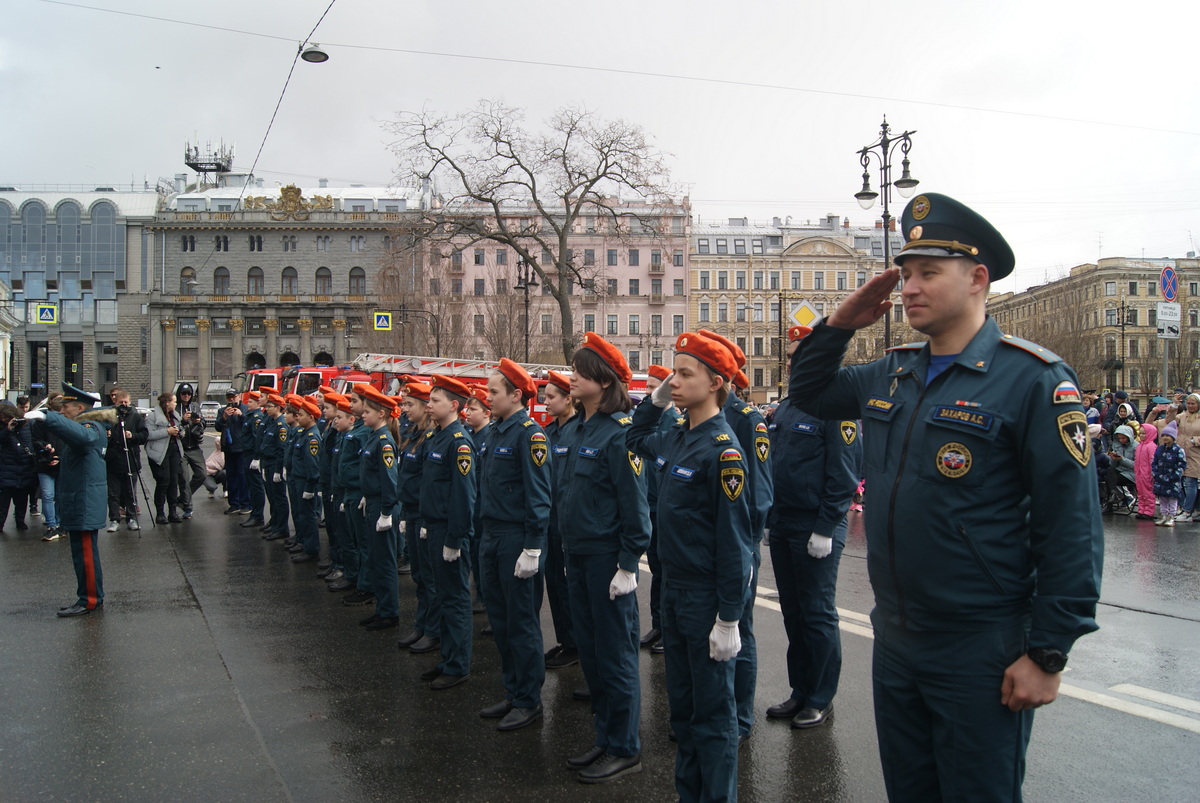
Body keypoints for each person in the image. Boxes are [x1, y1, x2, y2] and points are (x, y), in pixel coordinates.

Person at [789, 192, 1103, 801]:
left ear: (977, 278)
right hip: (898, 636)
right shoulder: (894, 370)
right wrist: (838, 324)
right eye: (905, 274)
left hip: (981, 645)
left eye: (928, 273)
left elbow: (1072, 527)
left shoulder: (1034, 379)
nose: (909, 287)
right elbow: (811, 392)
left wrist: (1048, 652)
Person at [627, 331, 752, 802]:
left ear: (716, 382)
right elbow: (636, 437)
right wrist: (655, 399)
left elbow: (735, 544)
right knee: (683, 712)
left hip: (704, 598)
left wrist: (728, 618)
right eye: (673, 374)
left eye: (684, 374)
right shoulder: (676, 438)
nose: (675, 382)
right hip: (673, 591)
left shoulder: (724, 452)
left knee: (713, 715)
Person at [556, 337, 650, 782]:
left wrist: (629, 565)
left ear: (603, 380)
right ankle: (604, 738)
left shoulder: (621, 433)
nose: (570, 376)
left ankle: (625, 745)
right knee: (592, 655)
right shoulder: (575, 429)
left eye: (579, 369)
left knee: (615, 656)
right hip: (577, 555)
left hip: (607, 561)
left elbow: (636, 507)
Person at [765, 324, 862, 731]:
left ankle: (820, 697)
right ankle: (800, 689)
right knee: (792, 611)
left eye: (798, 356)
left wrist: (826, 526)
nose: (790, 362)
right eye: (789, 357)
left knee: (817, 613)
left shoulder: (836, 406)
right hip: (785, 521)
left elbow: (843, 476)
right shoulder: (787, 406)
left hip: (815, 525)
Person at [699, 329, 775, 745]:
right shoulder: (699, 418)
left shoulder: (748, 422)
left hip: (736, 543)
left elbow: (759, 495)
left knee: (738, 628)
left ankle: (739, 717)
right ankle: (712, 712)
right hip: (702, 547)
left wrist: (742, 544)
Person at [477, 358, 553, 733]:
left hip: (515, 539)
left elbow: (539, 496)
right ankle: (513, 689)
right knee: (501, 620)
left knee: (521, 623)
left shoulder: (530, 434)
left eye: (493, 392)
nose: (487, 397)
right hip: (491, 535)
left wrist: (533, 547)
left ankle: (529, 700)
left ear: (516, 394)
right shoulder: (494, 433)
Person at [24, 382, 115, 616]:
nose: (62, 411)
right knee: (82, 553)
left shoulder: (90, 424)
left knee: (85, 554)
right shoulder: (88, 424)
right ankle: (90, 596)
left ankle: (90, 600)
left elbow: (83, 437)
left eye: (66, 408)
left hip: (83, 500)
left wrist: (48, 418)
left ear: (80, 407)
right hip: (80, 499)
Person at [418, 374, 477, 689]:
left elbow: (463, 498)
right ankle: (446, 659)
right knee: (443, 595)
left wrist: (455, 539)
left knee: (455, 599)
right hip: (436, 527)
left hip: (450, 532)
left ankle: (458, 665)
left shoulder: (459, 442)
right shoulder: (436, 437)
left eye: (435, 400)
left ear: (454, 405)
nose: (429, 405)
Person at [353, 384, 401, 630]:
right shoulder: (374, 436)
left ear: (381, 414)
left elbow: (390, 481)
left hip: (382, 507)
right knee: (375, 558)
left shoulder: (384, 442)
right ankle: (382, 608)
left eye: (368, 411)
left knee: (384, 561)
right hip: (372, 502)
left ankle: (390, 612)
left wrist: (385, 511)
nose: (363, 415)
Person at [542, 370, 580, 668]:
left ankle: (577, 645)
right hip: (550, 520)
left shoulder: (580, 430)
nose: (545, 402)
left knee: (571, 586)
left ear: (569, 399)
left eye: (551, 397)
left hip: (570, 521)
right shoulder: (549, 432)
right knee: (554, 583)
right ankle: (566, 640)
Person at [396, 381, 438, 647]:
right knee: (419, 576)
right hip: (411, 512)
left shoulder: (432, 438)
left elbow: (429, 482)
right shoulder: (412, 433)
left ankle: (433, 630)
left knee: (430, 578)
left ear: (425, 407)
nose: (404, 408)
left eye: (410, 404)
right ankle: (421, 625)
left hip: (425, 515)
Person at [638, 364, 676, 654]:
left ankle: (668, 629)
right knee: (655, 570)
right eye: (648, 387)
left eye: (653, 388)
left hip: (665, 510)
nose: (648, 393)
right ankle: (657, 624)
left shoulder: (673, 424)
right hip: (649, 505)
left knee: (667, 572)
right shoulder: (648, 420)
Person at [104, 388, 148, 531]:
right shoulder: (109, 417)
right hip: (113, 460)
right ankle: (114, 519)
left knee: (130, 492)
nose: (123, 405)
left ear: (130, 402)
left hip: (131, 459)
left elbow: (144, 435)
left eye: (126, 402)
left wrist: (132, 436)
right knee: (113, 493)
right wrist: (108, 435)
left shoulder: (135, 417)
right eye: (120, 402)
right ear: (115, 402)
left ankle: (131, 518)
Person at [145, 392, 184, 524]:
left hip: (174, 450)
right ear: (167, 402)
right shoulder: (152, 417)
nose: (176, 403)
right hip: (159, 452)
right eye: (174, 401)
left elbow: (180, 429)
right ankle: (160, 513)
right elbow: (149, 435)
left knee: (174, 482)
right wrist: (167, 431)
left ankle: (173, 512)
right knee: (163, 482)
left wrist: (180, 431)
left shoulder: (175, 415)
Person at [31, 393, 64, 540]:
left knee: (58, 495)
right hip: (44, 462)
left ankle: (57, 524)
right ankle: (52, 525)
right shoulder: (40, 421)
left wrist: (59, 457)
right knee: (48, 495)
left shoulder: (66, 421)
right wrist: (45, 447)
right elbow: (36, 440)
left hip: (60, 462)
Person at [0, 401, 37, 531]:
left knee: (21, 499)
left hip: (25, 467)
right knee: (4, 501)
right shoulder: (3, 427)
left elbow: (31, 442)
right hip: (7, 468)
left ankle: (20, 521)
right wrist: (7, 429)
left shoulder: (26, 425)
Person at [1163, 393, 1200, 522]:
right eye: (1188, 403)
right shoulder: (1182, 416)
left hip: (1195, 454)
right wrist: (1173, 405)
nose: (1190, 406)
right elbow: (1169, 421)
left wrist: (1195, 441)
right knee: (1180, 483)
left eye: (1193, 403)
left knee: (1191, 482)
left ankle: (1187, 511)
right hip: (1180, 453)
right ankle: (1187, 508)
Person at [216, 389, 252, 515]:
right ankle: (234, 504)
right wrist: (224, 417)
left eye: (234, 397)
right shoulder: (222, 411)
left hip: (242, 448)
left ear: (239, 397)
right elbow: (217, 426)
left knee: (242, 476)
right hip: (229, 447)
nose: (232, 400)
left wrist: (241, 415)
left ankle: (246, 504)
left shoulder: (245, 409)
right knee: (231, 477)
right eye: (229, 398)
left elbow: (249, 425)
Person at [175, 383, 206, 518]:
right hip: (180, 447)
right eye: (184, 393)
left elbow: (203, 422)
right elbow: (172, 425)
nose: (186, 396)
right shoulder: (175, 408)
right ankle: (188, 506)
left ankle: (182, 498)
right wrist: (182, 421)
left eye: (188, 393)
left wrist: (198, 422)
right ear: (179, 394)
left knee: (202, 474)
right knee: (183, 478)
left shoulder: (195, 406)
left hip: (194, 446)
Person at [1153, 421, 1185, 526]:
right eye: (1164, 435)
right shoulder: (1160, 449)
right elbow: (1155, 462)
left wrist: (1175, 476)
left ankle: (1171, 516)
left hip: (1172, 479)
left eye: (1168, 436)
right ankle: (1163, 515)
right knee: (1162, 498)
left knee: (1172, 499)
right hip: (1160, 478)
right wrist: (1156, 473)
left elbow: (1181, 465)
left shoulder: (1178, 450)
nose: (1165, 438)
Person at [1104, 425, 1138, 513]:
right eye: (1119, 438)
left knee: (1110, 479)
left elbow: (1136, 465)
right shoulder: (1117, 445)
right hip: (1120, 470)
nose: (1121, 440)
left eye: (1123, 438)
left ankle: (1115, 498)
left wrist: (1122, 459)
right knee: (1109, 471)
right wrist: (1113, 458)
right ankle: (1113, 495)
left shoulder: (1136, 447)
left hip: (1131, 473)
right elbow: (1113, 465)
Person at [1132, 423, 1157, 520]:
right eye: (1140, 433)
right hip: (1139, 473)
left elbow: (1152, 460)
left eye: (1144, 433)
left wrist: (1152, 473)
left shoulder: (1151, 446)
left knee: (1148, 493)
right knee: (1140, 492)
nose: (1142, 435)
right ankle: (1141, 510)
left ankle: (1149, 511)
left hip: (1147, 474)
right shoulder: (1139, 446)